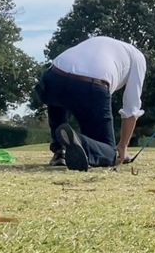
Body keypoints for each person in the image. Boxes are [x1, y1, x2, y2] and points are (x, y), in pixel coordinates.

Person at [39, 36, 146, 171]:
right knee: (107, 152)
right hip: (91, 86)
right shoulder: (138, 58)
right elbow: (131, 109)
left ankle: (60, 151)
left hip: (52, 77)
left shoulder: (100, 41)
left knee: (58, 99)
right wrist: (123, 146)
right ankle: (78, 141)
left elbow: (70, 76)